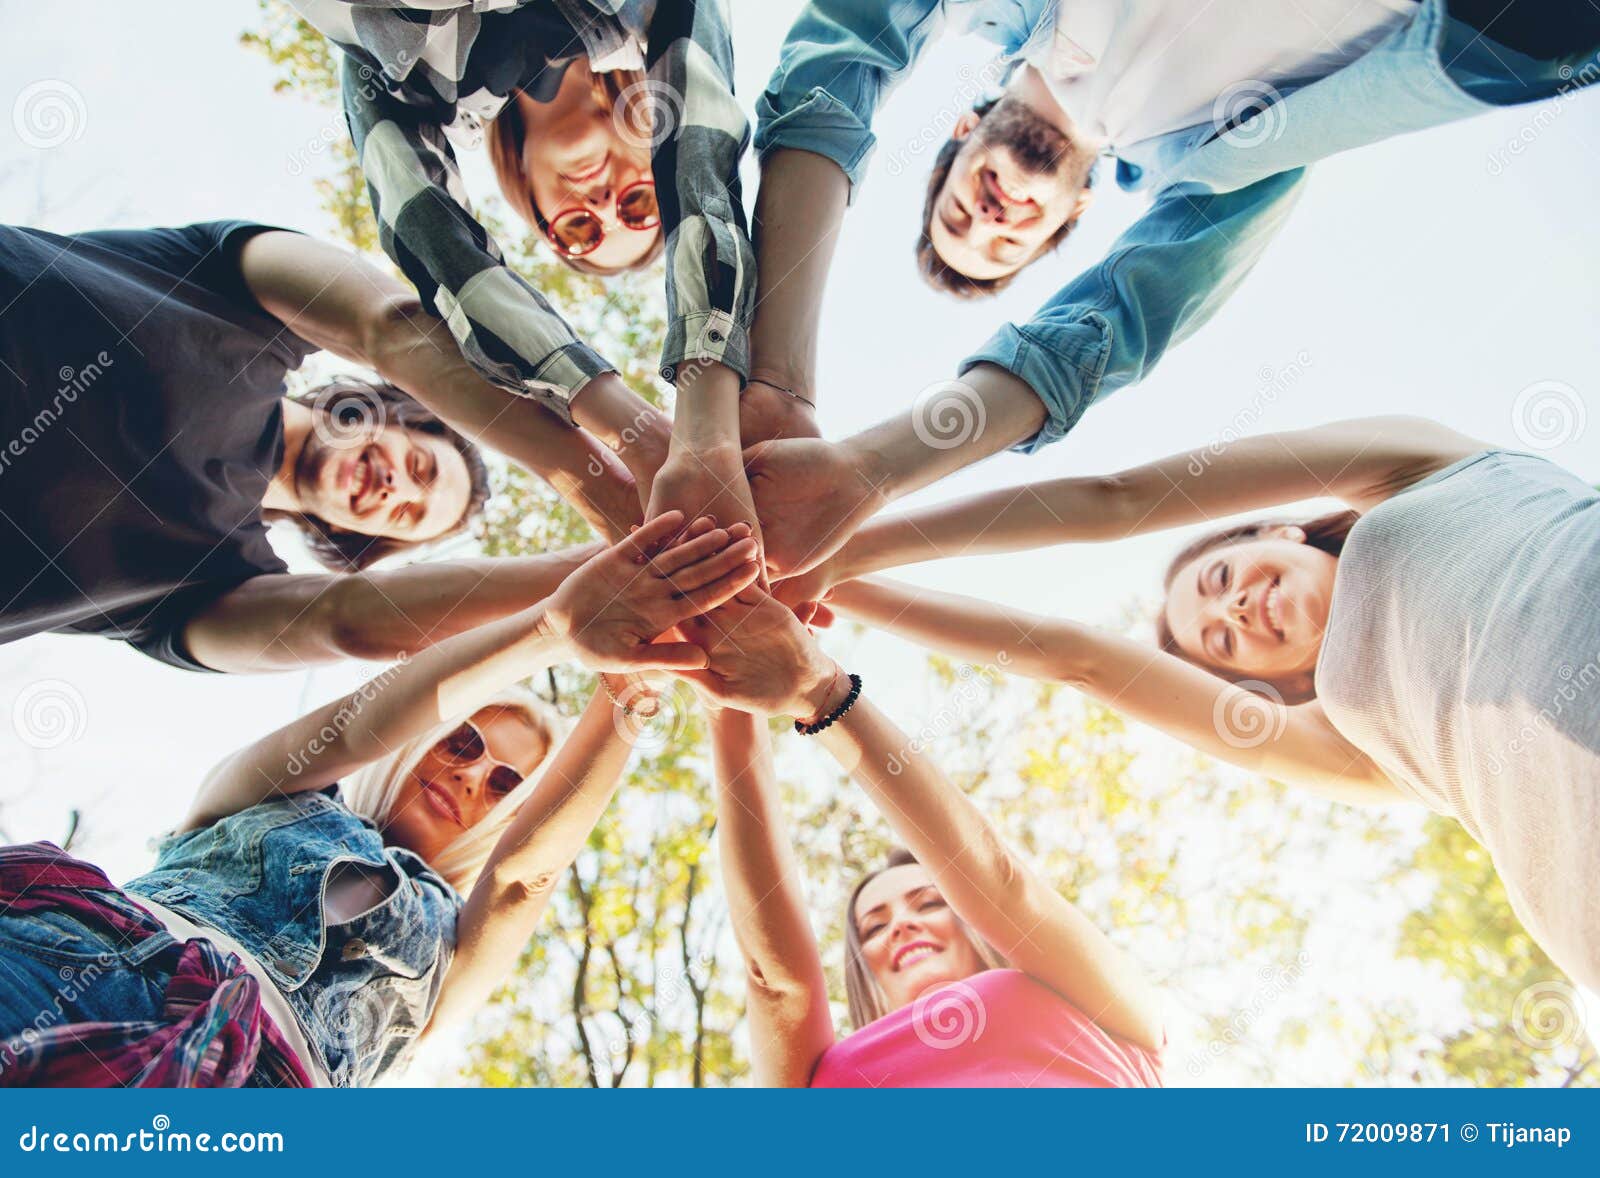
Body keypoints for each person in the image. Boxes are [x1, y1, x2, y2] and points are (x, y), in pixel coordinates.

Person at [740, 0, 1600, 577]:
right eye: (1006, 244)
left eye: (957, 211)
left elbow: (845, 50)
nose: (989, 220)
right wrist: (867, 471)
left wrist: (776, 379)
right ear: (1074, 212)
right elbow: (1108, 329)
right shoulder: (1216, 165)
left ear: (963, 131)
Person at [781, 416, 1599, 991]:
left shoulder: (1422, 468)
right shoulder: (1346, 742)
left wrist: (844, 548)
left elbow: (1117, 497)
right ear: (1270, 688)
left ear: (1273, 531)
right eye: (1222, 644)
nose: (1232, 610)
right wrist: (835, 589)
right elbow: (1076, 659)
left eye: (1219, 579)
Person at [0, 512, 760, 1087]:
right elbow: (360, 726)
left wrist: (633, 687)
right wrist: (554, 629)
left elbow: (524, 878)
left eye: (504, 783)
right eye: (464, 743)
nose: (472, 776)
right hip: (69, 957)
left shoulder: (456, 945)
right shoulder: (277, 793)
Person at [0, 220, 649, 673]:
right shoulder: (240, 306)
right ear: (396, 414)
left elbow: (345, 624)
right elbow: (389, 327)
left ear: (358, 538)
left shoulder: (214, 585)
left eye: (406, 514)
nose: (396, 488)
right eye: (419, 466)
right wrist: (616, 493)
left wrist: (631, 568)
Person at [286, 0, 766, 542]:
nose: (603, 206)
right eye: (638, 204)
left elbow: (432, 240)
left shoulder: (411, 78)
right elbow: (701, 161)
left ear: (531, 200)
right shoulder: (645, 12)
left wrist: (633, 443)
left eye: (580, 229)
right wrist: (693, 434)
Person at [677, 588, 1164, 1087]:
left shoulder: (1100, 1009)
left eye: (929, 903)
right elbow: (778, 983)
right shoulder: (826, 1077)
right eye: (873, 928)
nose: (901, 927)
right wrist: (724, 702)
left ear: (977, 925)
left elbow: (1003, 887)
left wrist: (821, 691)